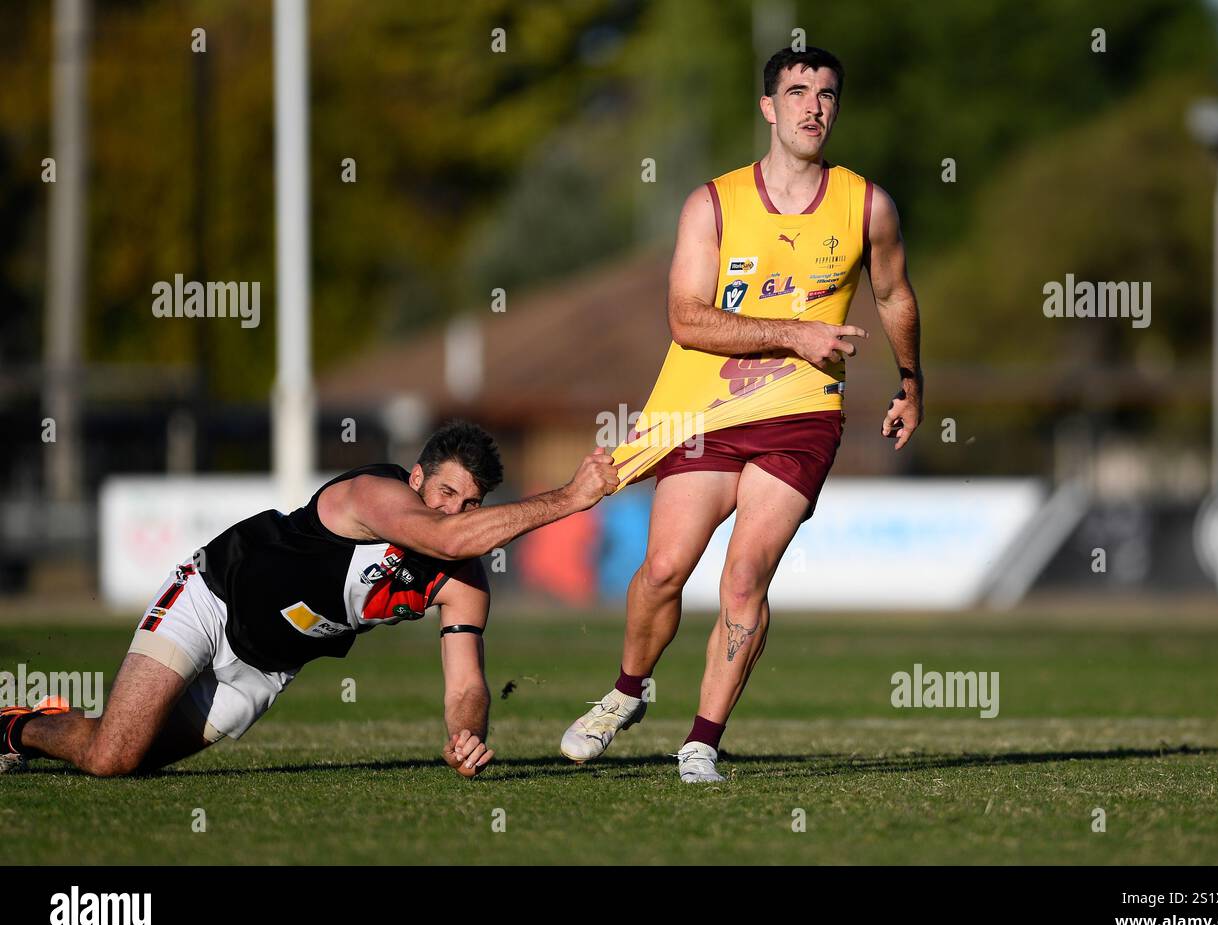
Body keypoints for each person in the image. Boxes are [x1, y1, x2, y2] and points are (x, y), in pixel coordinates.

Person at [562, 46, 923, 782]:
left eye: (826, 94)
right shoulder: (713, 203)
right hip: (709, 407)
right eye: (796, 92)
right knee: (663, 570)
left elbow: (892, 295)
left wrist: (912, 382)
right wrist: (793, 332)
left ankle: (701, 741)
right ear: (769, 108)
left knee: (743, 579)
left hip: (803, 413)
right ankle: (626, 693)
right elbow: (686, 320)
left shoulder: (867, 205)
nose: (812, 107)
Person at [2, 420, 617, 778]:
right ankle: (18, 729)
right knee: (114, 755)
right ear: (416, 479)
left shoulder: (463, 583)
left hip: (265, 671)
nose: (454, 510)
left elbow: (465, 685)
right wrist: (569, 498)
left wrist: (466, 733)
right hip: (211, 599)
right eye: (445, 491)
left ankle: (52, 720)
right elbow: (442, 535)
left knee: (128, 761)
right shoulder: (372, 497)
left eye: (470, 503)